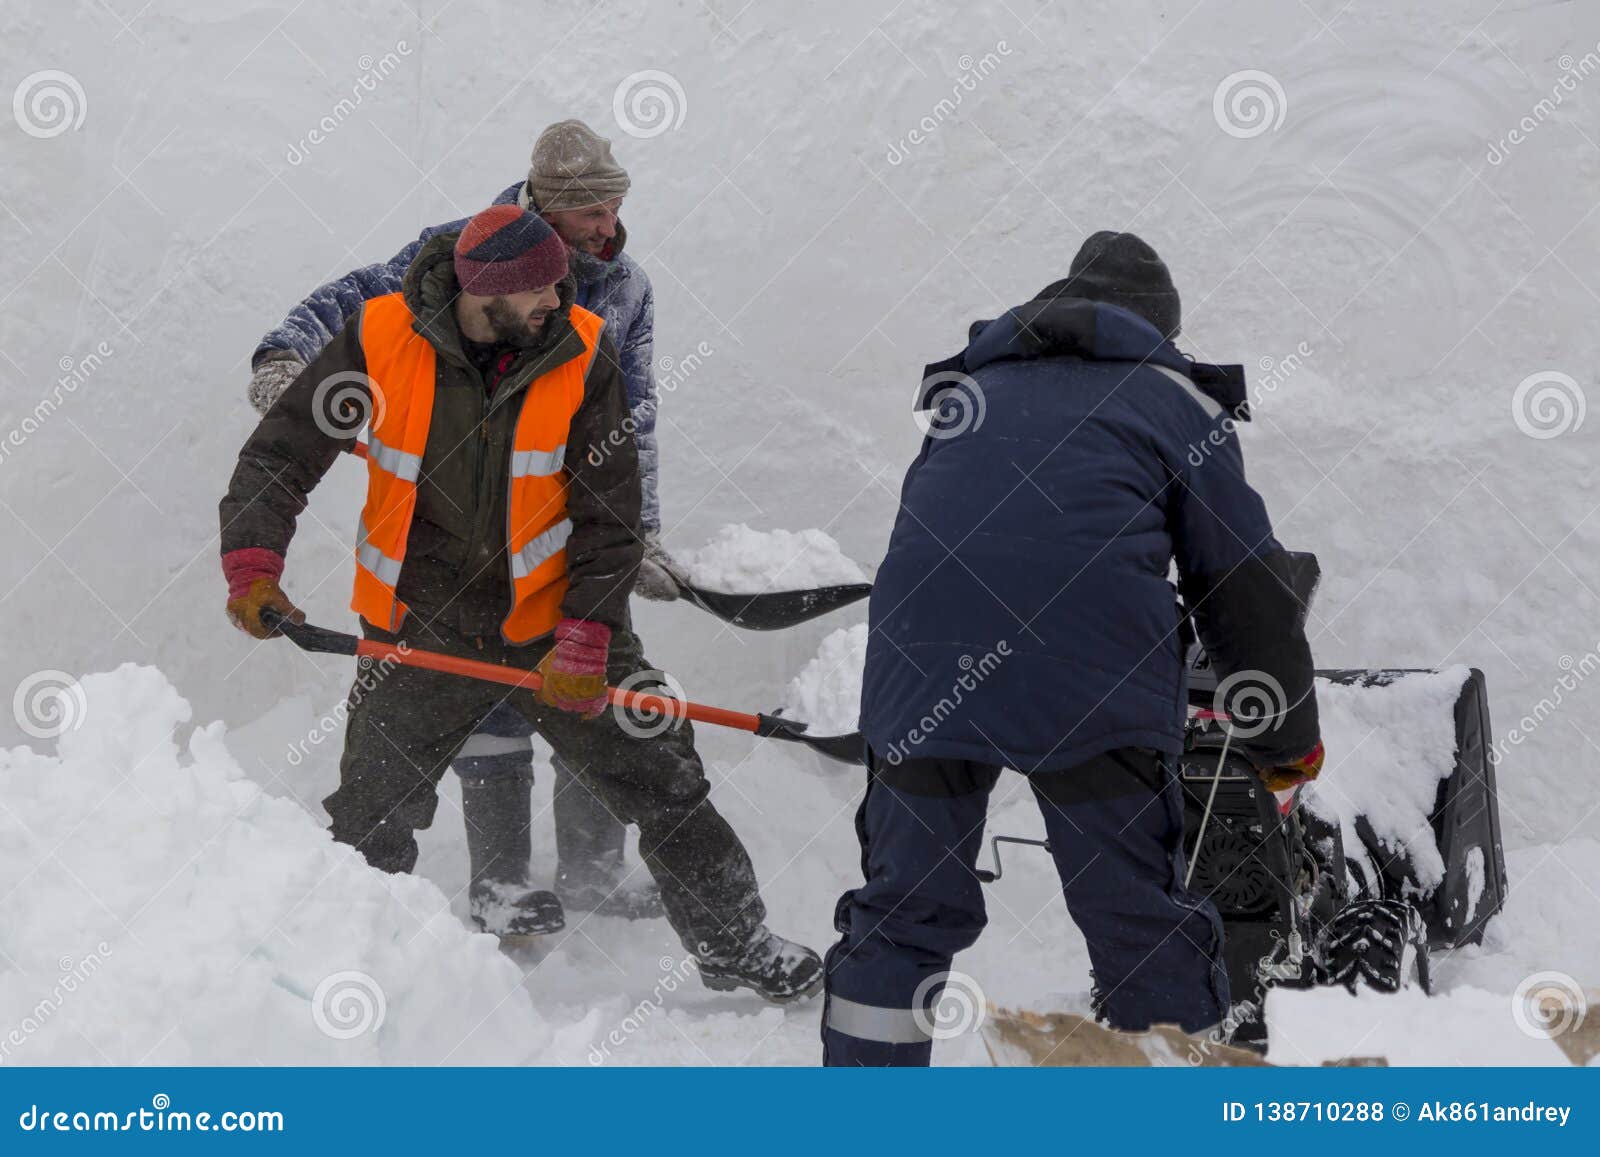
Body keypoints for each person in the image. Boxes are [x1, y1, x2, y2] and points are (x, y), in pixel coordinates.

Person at [220, 204, 822, 1002]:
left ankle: (733, 941)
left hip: (553, 626)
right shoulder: (377, 338)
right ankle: (340, 970)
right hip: (417, 626)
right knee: (370, 815)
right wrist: (253, 566)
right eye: (540, 288)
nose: (558, 300)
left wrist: (585, 637)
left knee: (669, 778)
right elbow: (280, 457)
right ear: (486, 288)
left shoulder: (582, 353)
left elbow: (611, 519)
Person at [821, 232, 1324, 1064]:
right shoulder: (1174, 402)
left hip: (917, 670)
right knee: (1140, 924)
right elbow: (1240, 585)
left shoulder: (971, 391)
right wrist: (1286, 735)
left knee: (902, 911)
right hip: (1089, 681)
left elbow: (952, 544)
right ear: (1159, 330)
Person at [247, 119, 685, 928]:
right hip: (468, 532)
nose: (610, 228)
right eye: (593, 213)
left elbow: (639, 414)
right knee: (494, 699)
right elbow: (355, 301)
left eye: (616, 207)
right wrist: (288, 356)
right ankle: (502, 882)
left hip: (576, 537)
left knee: (594, 689)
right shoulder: (462, 253)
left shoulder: (627, 287)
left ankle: (594, 873)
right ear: (548, 211)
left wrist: (641, 531)